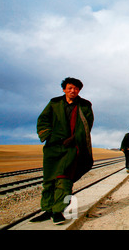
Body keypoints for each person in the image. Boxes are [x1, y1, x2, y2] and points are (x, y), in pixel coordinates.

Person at [30, 77, 94, 225]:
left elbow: (86, 125)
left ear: (79, 90)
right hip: (52, 148)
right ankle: (47, 209)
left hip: (72, 148)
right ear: (64, 89)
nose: (73, 91)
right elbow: (43, 120)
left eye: (76, 89)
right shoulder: (54, 103)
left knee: (64, 180)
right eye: (70, 88)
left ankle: (58, 211)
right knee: (49, 180)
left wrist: (73, 139)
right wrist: (48, 136)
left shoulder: (85, 105)